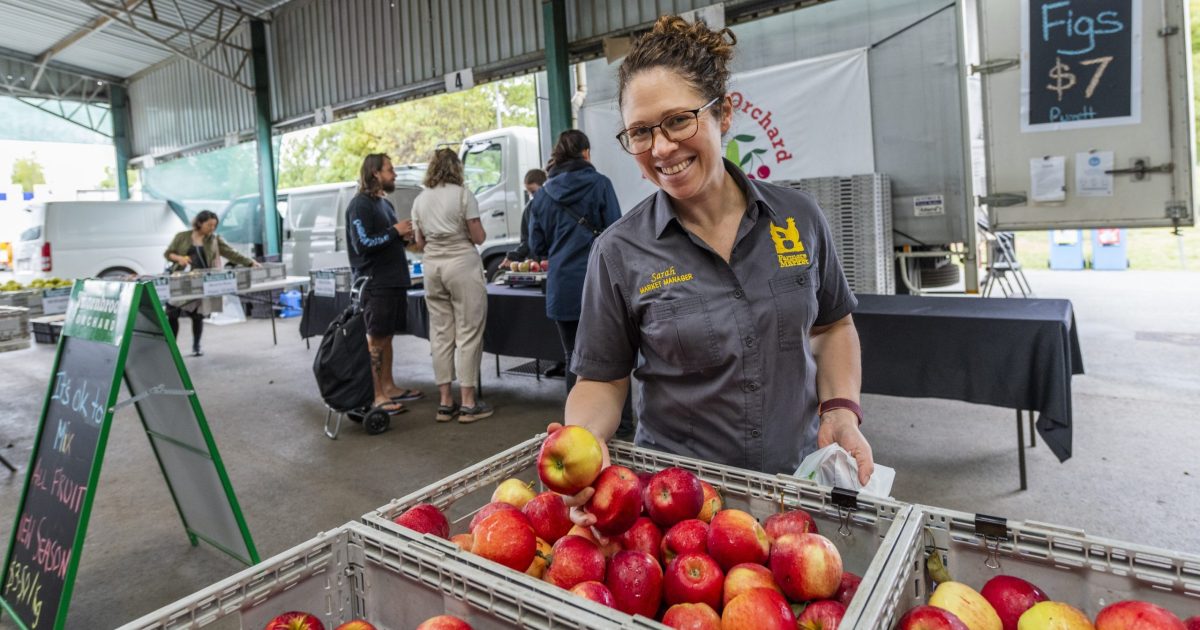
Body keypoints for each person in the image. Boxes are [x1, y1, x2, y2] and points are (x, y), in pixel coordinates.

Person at [558, 15, 874, 511]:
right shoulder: (619, 251)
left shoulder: (798, 218)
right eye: (640, 132)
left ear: (722, 114)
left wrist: (839, 410)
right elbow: (602, 378)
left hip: (797, 488)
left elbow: (834, 326)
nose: (661, 148)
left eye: (678, 120)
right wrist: (583, 440)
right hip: (679, 509)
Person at [529, 130, 634, 440]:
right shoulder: (600, 184)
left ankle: (579, 434)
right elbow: (615, 234)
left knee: (574, 359)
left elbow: (537, 247)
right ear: (585, 154)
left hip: (562, 287)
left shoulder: (543, 195)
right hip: (602, 284)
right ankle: (622, 429)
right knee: (614, 359)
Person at [410, 149, 493, 423]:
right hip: (462, 265)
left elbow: (419, 243)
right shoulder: (463, 195)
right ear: (456, 168)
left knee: (441, 333)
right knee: (468, 332)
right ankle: (468, 403)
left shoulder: (420, 200)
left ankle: (445, 403)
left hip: (432, 267)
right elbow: (478, 237)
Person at [346, 153, 424, 415]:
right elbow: (363, 244)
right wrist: (395, 231)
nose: (395, 174)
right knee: (376, 339)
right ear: (375, 173)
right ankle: (376, 394)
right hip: (375, 283)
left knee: (387, 337)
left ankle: (388, 386)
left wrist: (405, 238)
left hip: (393, 281)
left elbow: (389, 239)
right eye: (390, 170)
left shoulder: (384, 203)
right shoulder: (360, 205)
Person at [500, 168, 567, 379]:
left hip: (556, 265)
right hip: (542, 265)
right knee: (547, 319)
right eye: (529, 193)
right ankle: (557, 359)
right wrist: (514, 256)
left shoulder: (554, 204)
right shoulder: (531, 209)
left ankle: (564, 359)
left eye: (533, 191)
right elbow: (526, 241)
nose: (532, 196)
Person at [164, 210, 259, 356]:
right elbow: (168, 253)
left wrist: (249, 262)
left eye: (214, 225)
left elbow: (231, 253)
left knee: (197, 314)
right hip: (182, 279)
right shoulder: (182, 237)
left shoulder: (214, 239)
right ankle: (171, 347)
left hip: (203, 281)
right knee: (173, 311)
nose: (212, 228)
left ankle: (196, 346)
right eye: (209, 225)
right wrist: (179, 258)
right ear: (199, 223)